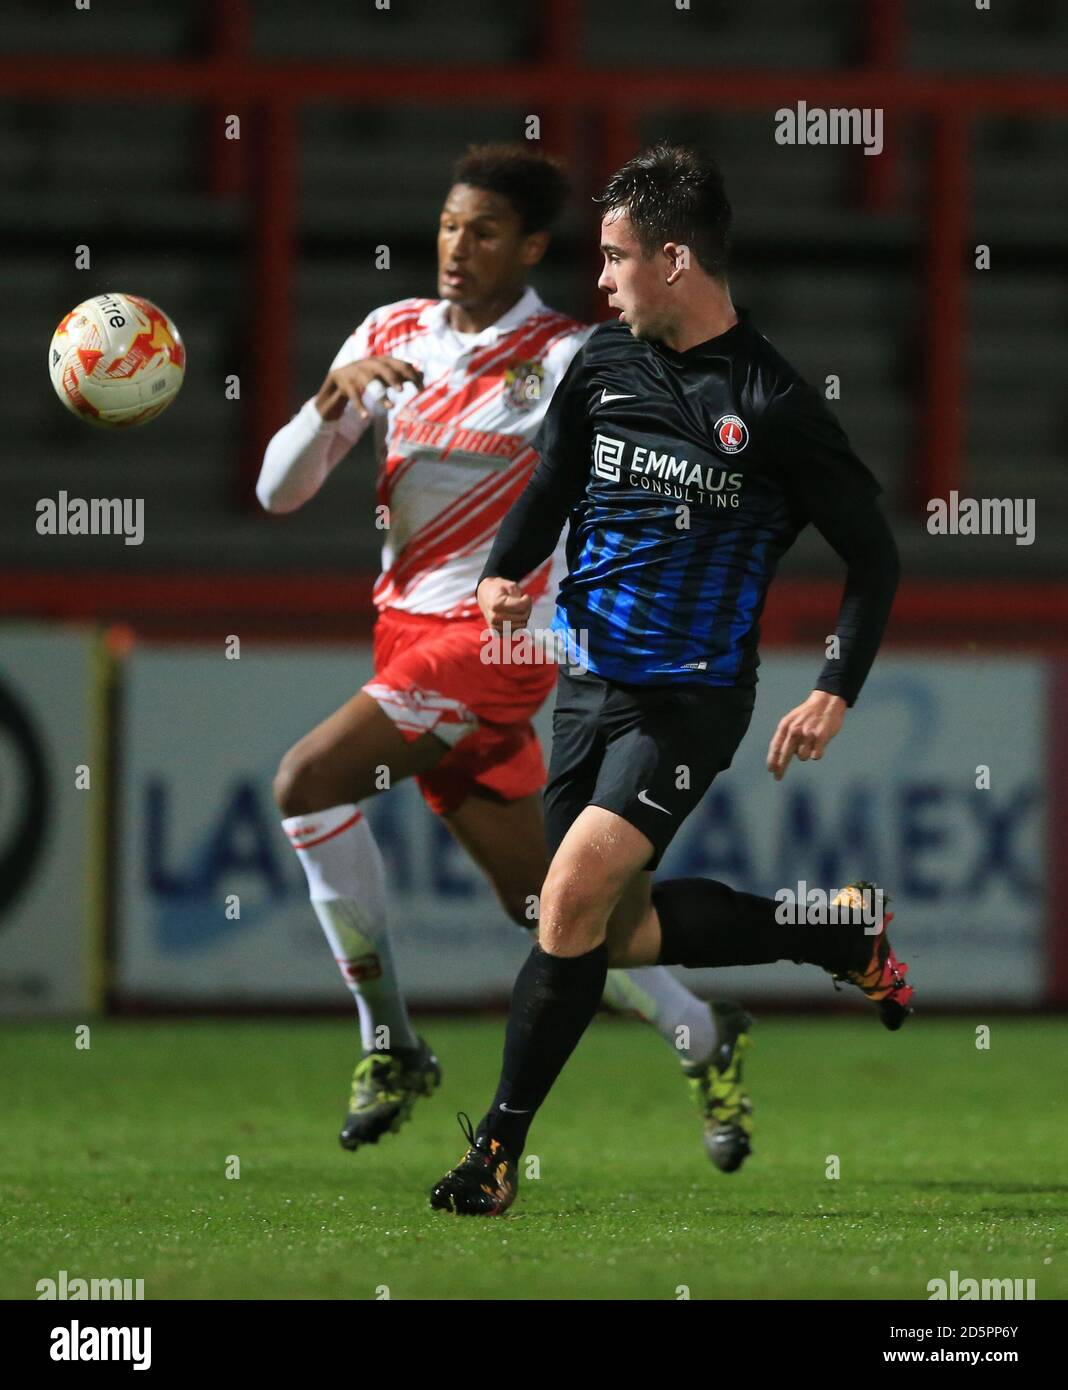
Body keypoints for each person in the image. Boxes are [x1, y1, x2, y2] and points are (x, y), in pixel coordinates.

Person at [430, 142, 910, 1217]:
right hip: (589, 687)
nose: (600, 280)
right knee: (608, 929)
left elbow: (872, 555)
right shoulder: (601, 365)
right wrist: (507, 572)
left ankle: (496, 1156)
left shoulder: (773, 404)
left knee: (567, 898)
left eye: (615, 258)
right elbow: (552, 481)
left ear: (676, 260)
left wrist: (836, 684)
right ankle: (831, 933)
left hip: (690, 698)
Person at [257, 144, 760, 1171]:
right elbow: (278, 494)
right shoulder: (388, 335)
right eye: (449, 225)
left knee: (306, 782)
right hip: (403, 633)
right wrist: (328, 398)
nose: (457, 247)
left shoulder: (574, 355)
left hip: (499, 642)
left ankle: (389, 1044)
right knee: (556, 911)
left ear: (530, 247)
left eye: (484, 231)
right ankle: (704, 1032)